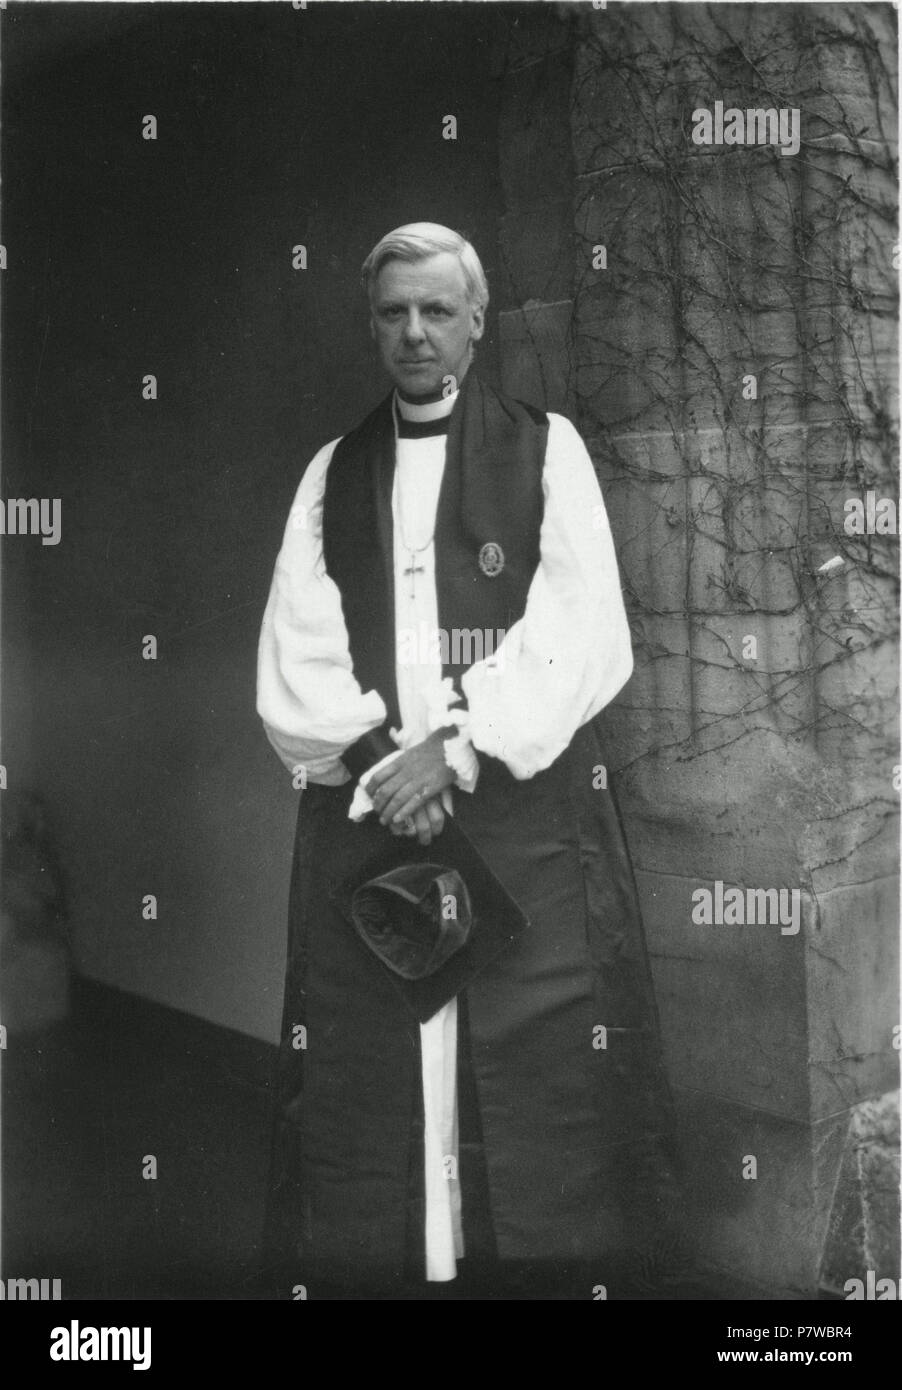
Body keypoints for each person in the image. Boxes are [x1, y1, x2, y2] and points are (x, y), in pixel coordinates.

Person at [257, 222, 681, 1300]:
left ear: (476, 322)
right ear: (370, 323)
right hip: (370, 824)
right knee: (370, 1087)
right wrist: (382, 765)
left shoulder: (547, 450)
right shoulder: (331, 471)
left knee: (533, 1084)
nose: (413, 332)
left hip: (509, 825)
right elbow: (293, 651)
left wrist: (456, 748)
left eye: (436, 310)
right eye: (393, 311)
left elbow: (581, 633)